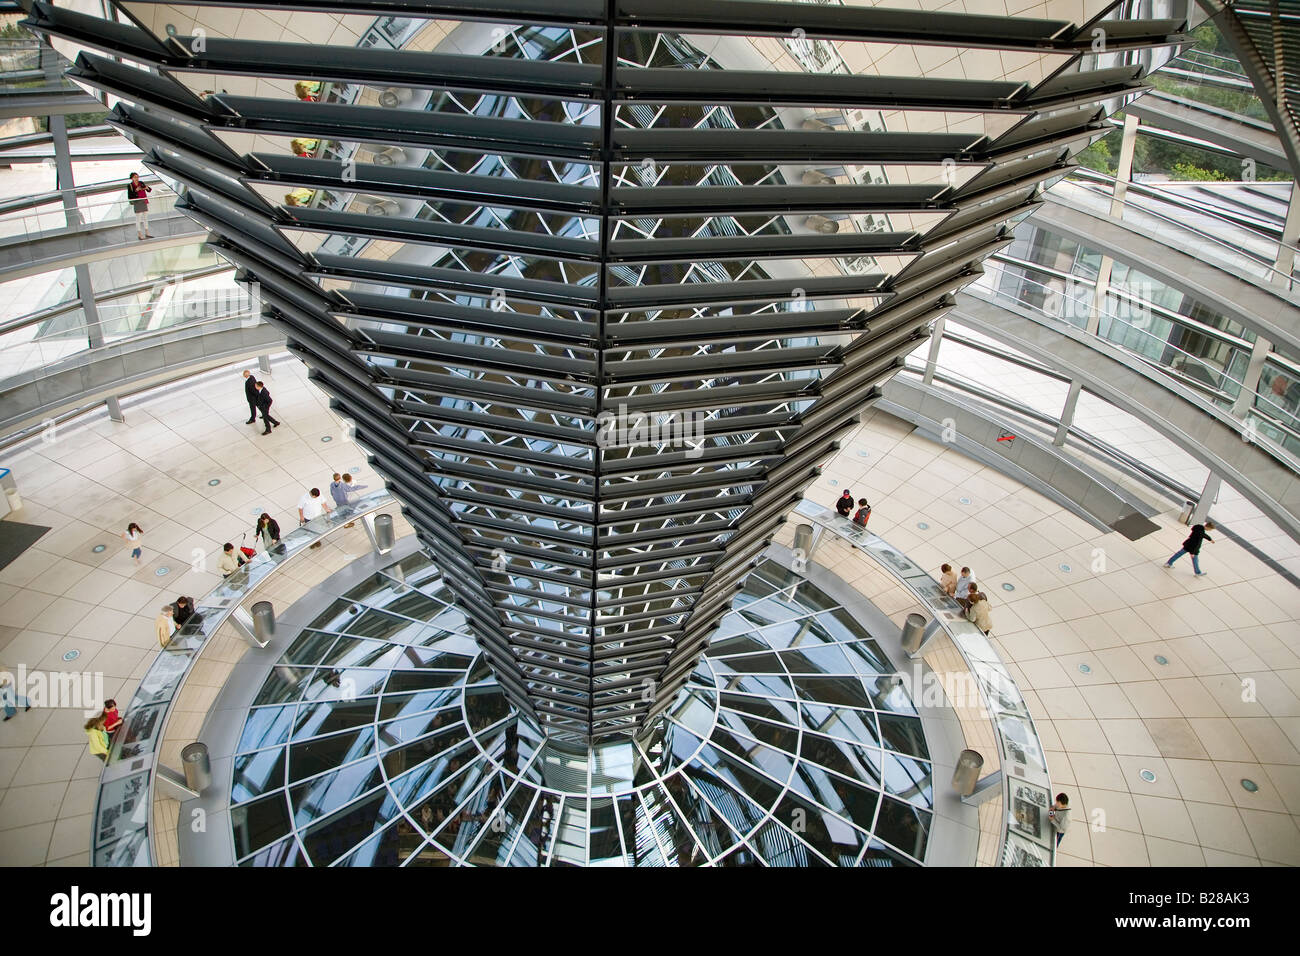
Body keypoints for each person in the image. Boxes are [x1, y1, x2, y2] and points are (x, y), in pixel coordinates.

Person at [126, 172, 152, 239]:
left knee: (145, 218)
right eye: (135, 177)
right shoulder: (130, 185)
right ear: (132, 178)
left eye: (137, 177)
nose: (137, 178)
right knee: (138, 219)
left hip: (144, 201)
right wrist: (136, 190)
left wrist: (146, 188)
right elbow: (130, 196)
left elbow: (149, 190)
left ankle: (147, 233)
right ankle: (139, 234)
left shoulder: (141, 183)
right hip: (137, 202)